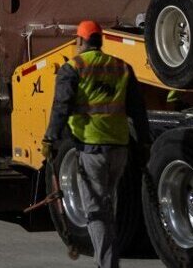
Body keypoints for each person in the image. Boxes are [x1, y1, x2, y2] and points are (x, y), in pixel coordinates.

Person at [43, 20, 151, 268]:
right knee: (106, 206)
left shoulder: (73, 68)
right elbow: (138, 110)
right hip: (119, 150)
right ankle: (104, 259)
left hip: (92, 150)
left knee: (96, 212)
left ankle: (106, 263)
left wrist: (50, 138)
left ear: (80, 41)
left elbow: (62, 106)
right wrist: (145, 143)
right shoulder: (122, 67)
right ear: (100, 41)